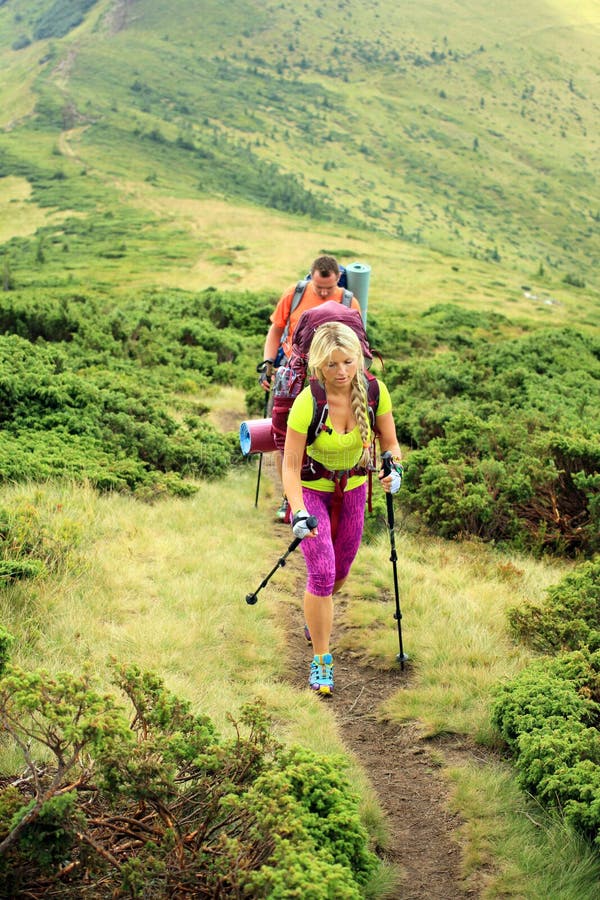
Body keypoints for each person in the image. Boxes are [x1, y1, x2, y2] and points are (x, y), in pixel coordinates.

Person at [281, 321, 403, 696]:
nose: (341, 372)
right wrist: (298, 511)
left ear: (359, 359)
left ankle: (316, 615)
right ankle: (321, 660)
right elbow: (289, 466)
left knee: (341, 572)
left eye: (348, 362)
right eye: (332, 364)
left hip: (353, 489)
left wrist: (395, 471)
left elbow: (391, 445)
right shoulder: (308, 403)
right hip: (312, 491)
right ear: (319, 365)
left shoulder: (375, 393)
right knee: (322, 573)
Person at [260, 255, 362, 522]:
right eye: (318, 288)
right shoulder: (294, 294)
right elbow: (276, 329)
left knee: (325, 437)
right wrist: (268, 363)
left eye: (329, 287)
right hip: (293, 374)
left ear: (339, 278)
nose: (324, 293)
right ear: (310, 277)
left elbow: (356, 344)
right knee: (284, 438)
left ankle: (323, 492)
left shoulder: (349, 302)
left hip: (331, 377)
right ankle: (289, 498)